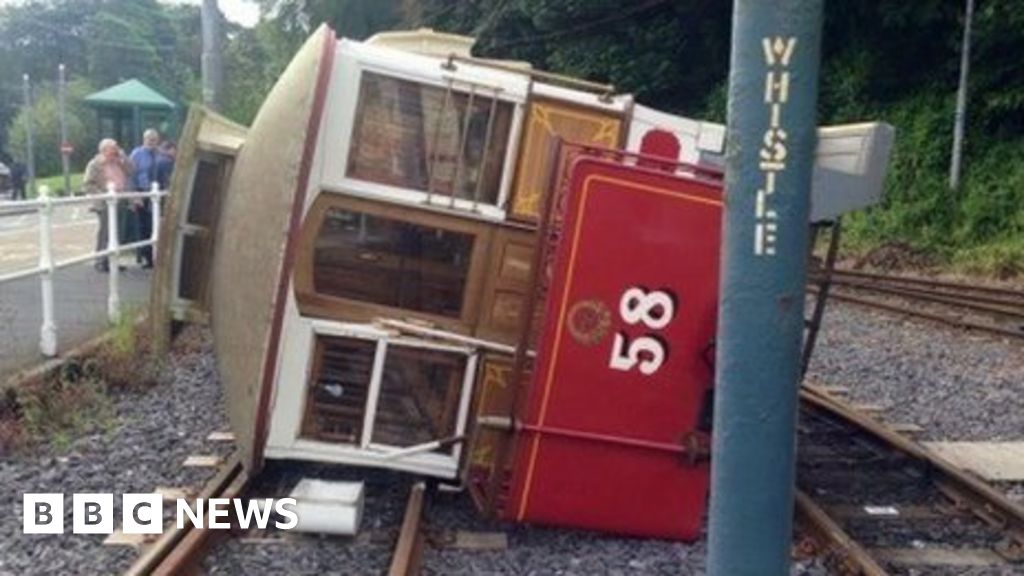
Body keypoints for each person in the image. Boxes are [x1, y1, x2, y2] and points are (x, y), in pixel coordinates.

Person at [83, 138, 133, 273]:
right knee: (105, 232)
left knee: (118, 233)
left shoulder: (119, 162)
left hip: (121, 200)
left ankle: (113, 261)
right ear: (104, 150)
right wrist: (104, 196)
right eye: (113, 148)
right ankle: (100, 261)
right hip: (105, 203)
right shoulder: (95, 164)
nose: (116, 150)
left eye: (116, 148)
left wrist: (123, 157)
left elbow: (132, 170)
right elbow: (88, 184)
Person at [128, 129, 160, 268]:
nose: (152, 142)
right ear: (144, 140)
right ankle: (146, 258)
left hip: (157, 194)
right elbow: (130, 175)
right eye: (150, 139)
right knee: (145, 227)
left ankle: (156, 256)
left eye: (155, 140)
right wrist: (135, 196)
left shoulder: (159, 154)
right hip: (142, 193)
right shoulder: (137, 154)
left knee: (156, 225)